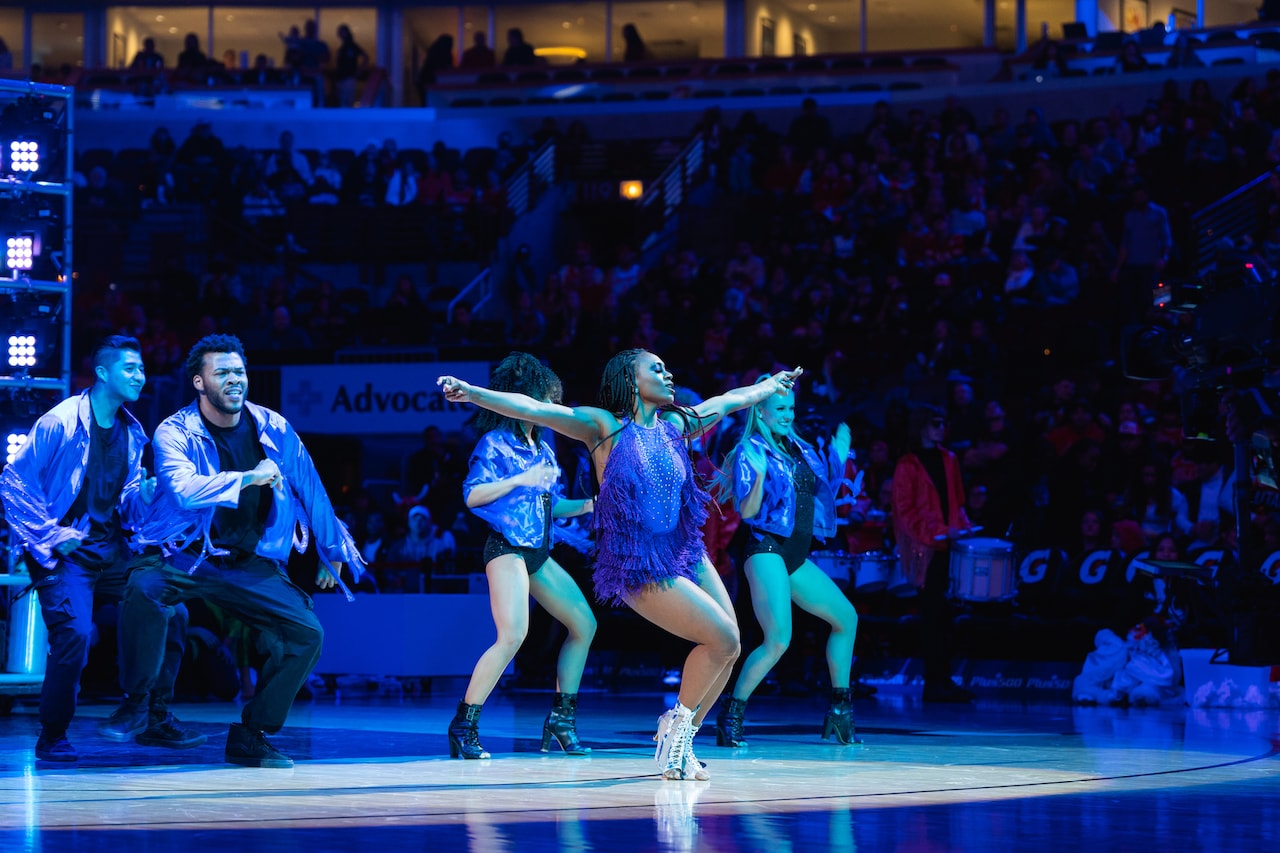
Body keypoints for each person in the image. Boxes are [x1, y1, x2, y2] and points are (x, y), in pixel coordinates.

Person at [438, 351, 803, 781]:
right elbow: (536, 408)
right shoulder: (604, 427)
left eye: (668, 366)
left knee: (732, 645)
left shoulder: (675, 426)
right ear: (630, 381)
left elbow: (727, 401)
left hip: (684, 550)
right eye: (656, 368)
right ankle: (675, 729)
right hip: (638, 562)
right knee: (720, 638)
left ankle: (682, 743)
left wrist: (769, 387)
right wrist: (474, 394)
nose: (668, 372)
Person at [119, 334, 365, 768]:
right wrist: (249, 478)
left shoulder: (273, 426)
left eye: (239, 372)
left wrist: (333, 549)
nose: (235, 380)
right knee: (145, 589)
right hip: (184, 552)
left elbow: (310, 486)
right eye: (223, 373)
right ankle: (143, 707)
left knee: (306, 634)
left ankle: (253, 734)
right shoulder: (174, 431)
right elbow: (182, 491)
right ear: (199, 382)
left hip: (247, 559)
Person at [0, 336, 200, 762]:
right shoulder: (61, 421)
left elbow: (123, 498)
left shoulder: (132, 432)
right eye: (130, 368)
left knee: (171, 608)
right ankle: (52, 734)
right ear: (103, 373)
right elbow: (13, 481)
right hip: (64, 554)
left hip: (111, 551)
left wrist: (141, 497)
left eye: (142, 369)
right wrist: (50, 534)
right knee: (73, 633)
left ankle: (149, 715)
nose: (140, 376)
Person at [449, 352, 598, 759]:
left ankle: (561, 719)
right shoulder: (495, 443)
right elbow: (472, 495)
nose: (553, 410)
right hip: (506, 550)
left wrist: (588, 506)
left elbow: (551, 504)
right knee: (513, 635)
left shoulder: (544, 449)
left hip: (538, 553)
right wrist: (520, 478)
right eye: (548, 401)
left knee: (584, 624)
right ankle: (465, 724)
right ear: (526, 399)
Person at [711, 380, 861, 747]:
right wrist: (759, 478)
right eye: (779, 409)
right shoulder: (751, 450)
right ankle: (731, 713)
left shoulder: (801, 448)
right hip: (766, 549)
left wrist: (839, 454)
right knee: (778, 639)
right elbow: (746, 511)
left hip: (795, 554)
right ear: (759, 410)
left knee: (846, 619)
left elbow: (819, 486)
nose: (788, 415)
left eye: (790, 409)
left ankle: (840, 711)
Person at [890, 405, 976, 703]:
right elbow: (904, 510)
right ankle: (934, 681)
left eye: (944, 423)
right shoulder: (908, 465)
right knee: (933, 616)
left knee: (947, 616)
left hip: (947, 545)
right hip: (925, 550)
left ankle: (943, 679)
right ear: (922, 426)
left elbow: (957, 502)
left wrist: (962, 528)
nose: (942, 428)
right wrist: (934, 534)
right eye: (936, 423)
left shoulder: (949, 459)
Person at [333, 23, 369, 107]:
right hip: (341, 79)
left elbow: (366, 57)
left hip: (349, 78)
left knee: (347, 102)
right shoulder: (342, 48)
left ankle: (346, 119)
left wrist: (359, 71)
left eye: (341, 32)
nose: (340, 35)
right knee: (343, 103)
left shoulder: (352, 46)